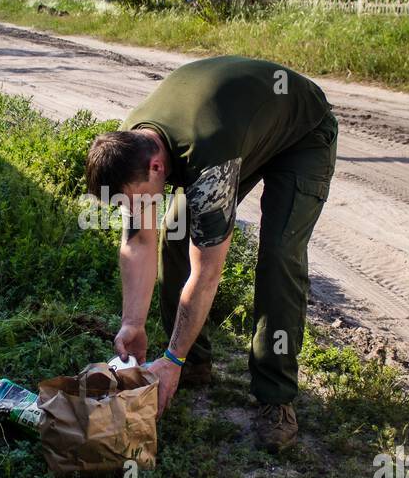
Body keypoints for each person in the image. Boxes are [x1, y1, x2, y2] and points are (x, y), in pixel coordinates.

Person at [85, 56, 338, 452]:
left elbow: (207, 274)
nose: (135, 212)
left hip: (302, 133)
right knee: (172, 236)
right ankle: (193, 363)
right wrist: (132, 324)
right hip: (242, 130)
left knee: (279, 259)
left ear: (156, 167)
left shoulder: (209, 164)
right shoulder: (131, 145)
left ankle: (276, 399)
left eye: (136, 201)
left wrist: (169, 357)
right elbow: (138, 241)